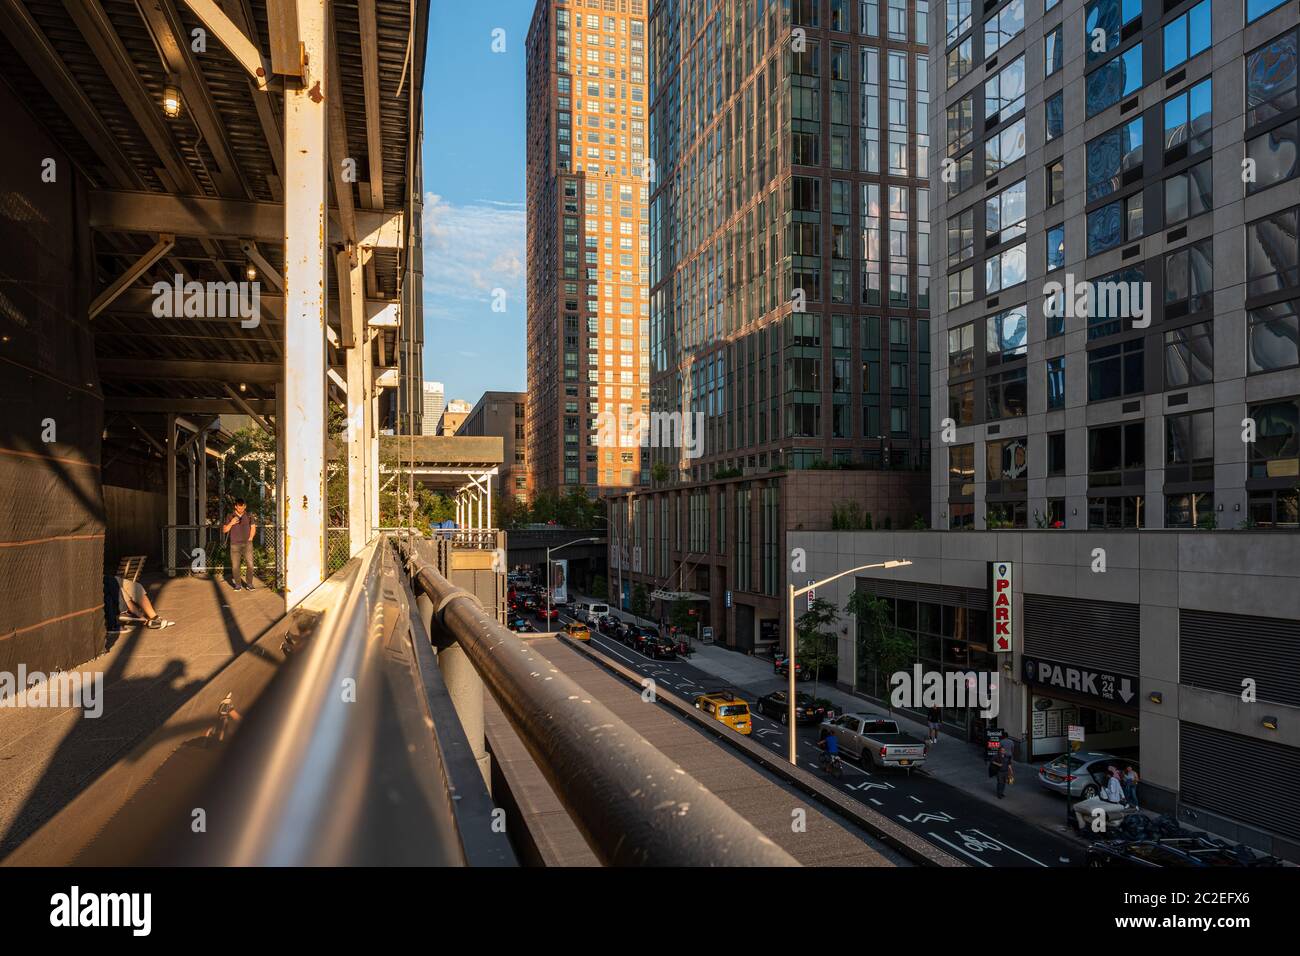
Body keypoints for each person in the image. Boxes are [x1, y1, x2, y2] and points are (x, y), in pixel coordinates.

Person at [222, 498, 258, 590]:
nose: (241, 509)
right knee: (235, 566)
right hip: (235, 545)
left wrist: (250, 538)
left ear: (245, 506)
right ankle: (238, 585)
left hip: (247, 544)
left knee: (250, 564)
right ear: (235, 506)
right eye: (239, 507)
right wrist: (231, 522)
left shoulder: (249, 515)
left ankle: (249, 584)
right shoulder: (230, 516)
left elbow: (253, 528)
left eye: (242, 507)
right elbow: (225, 530)